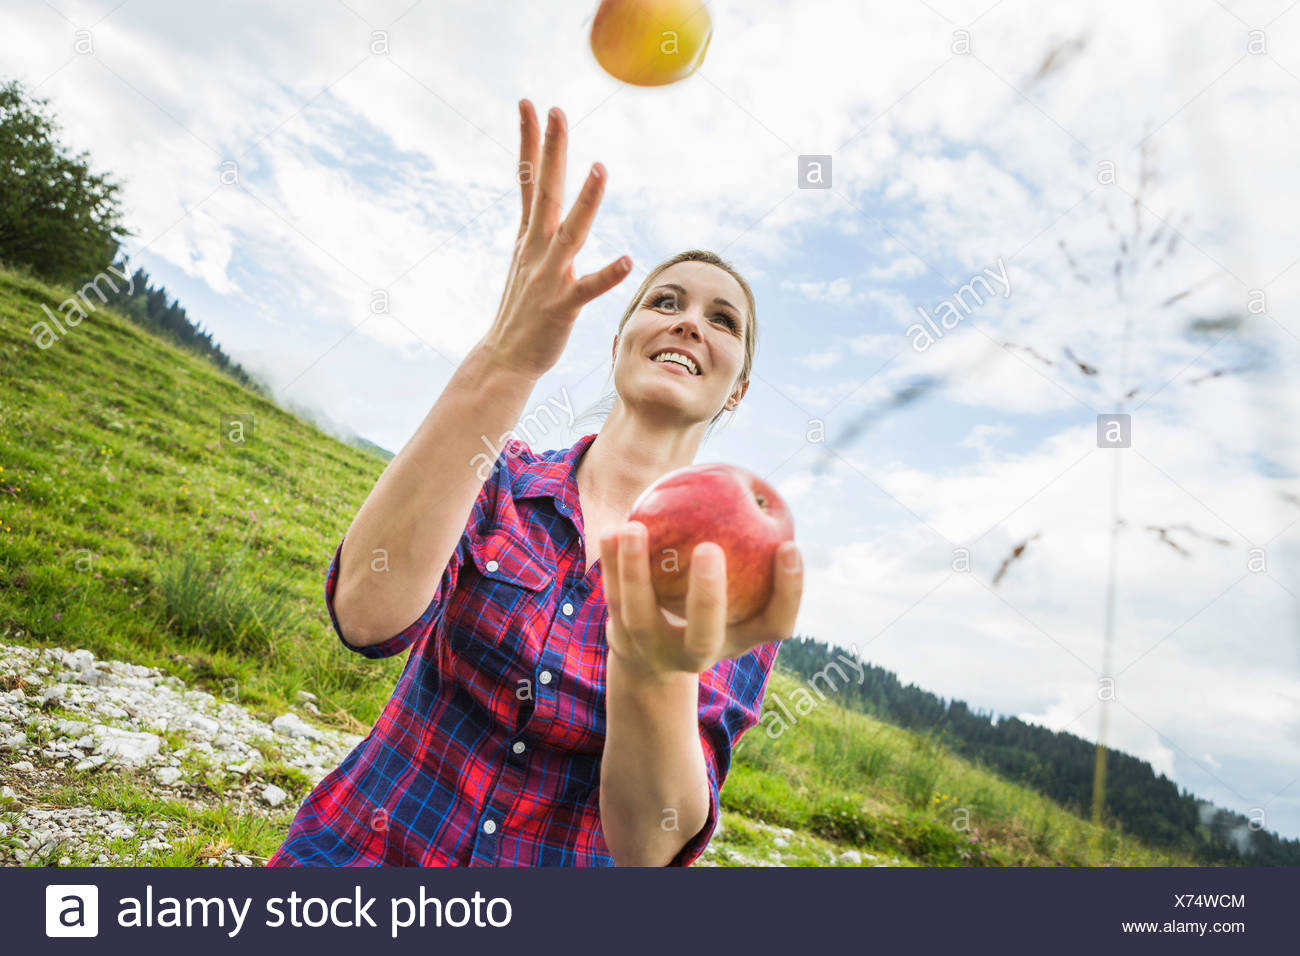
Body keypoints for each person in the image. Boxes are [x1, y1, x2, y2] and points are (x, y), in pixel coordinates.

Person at [266, 99, 803, 867]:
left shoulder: (731, 577)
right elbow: (365, 615)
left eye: (724, 320)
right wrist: (505, 359)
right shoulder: (500, 478)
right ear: (620, 341)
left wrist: (653, 669)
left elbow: (649, 843)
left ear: (738, 391)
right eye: (665, 302)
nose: (690, 323)